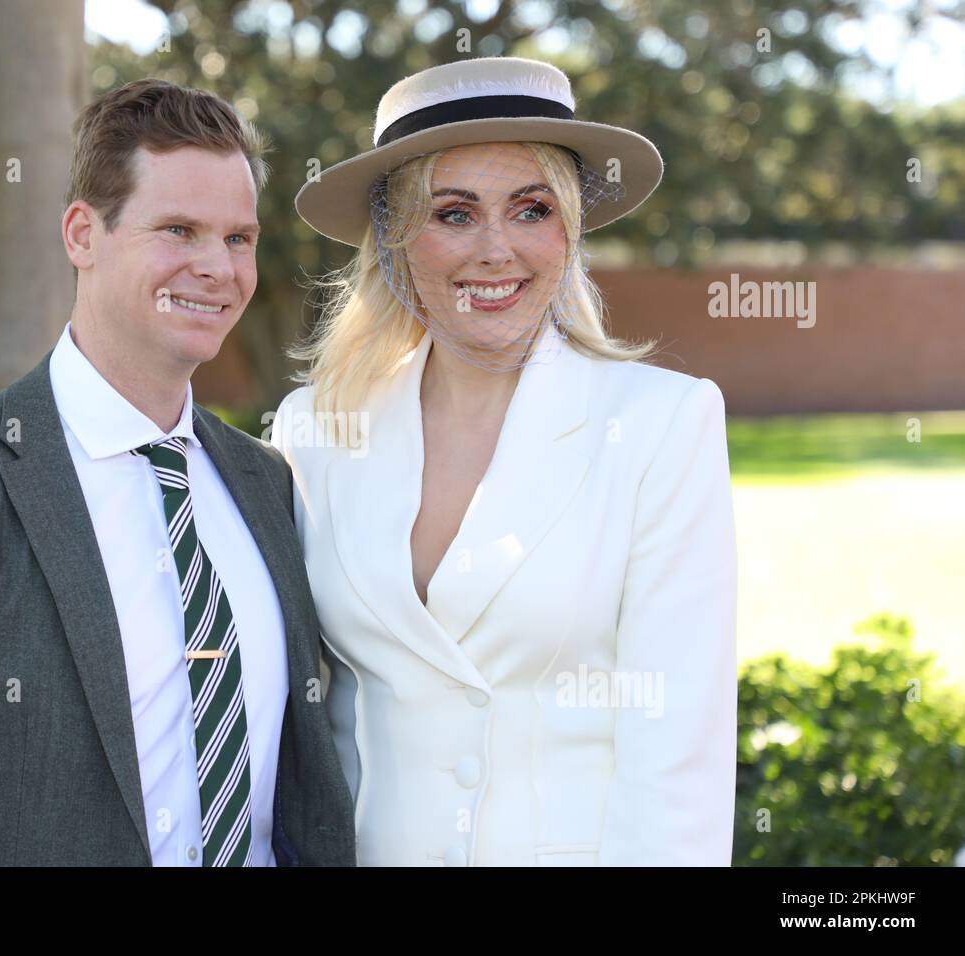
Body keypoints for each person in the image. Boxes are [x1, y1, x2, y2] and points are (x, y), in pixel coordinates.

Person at [0, 79, 354, 866]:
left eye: (238, 238)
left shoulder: (268, 486)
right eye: (179, 229)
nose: (217, 268)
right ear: (83, 234)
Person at [271, 57, 737, 866]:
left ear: (569, 231)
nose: (497, 250)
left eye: (531, 209)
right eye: (453, 214)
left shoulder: (664, 423)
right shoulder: (315, 428)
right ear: (393, 239)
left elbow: (678, 755)